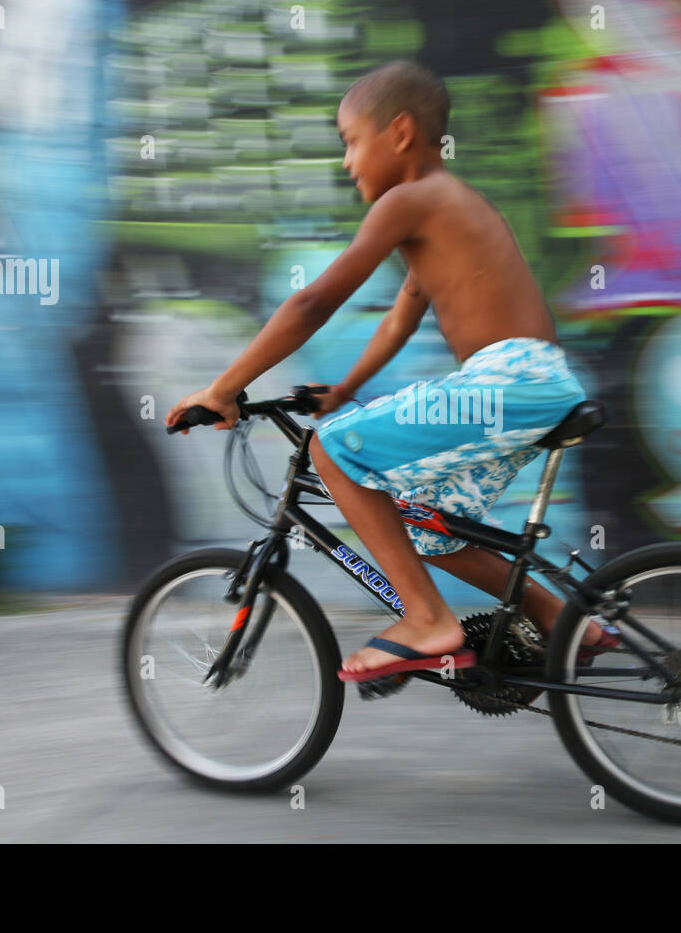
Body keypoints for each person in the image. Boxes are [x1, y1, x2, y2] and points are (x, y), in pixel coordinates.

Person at [166, 60, 615, 685]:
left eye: (351, 141)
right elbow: (400, 321)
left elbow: (312, 303)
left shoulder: (410, 199)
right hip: (532, 384)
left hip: (507, 382)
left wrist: (222, 388)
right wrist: (344, 389)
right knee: (431, 525)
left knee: (332, 449)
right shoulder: (445, 210)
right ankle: (567, 622)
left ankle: (427, 620)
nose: (347, 162)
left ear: (400, 133)